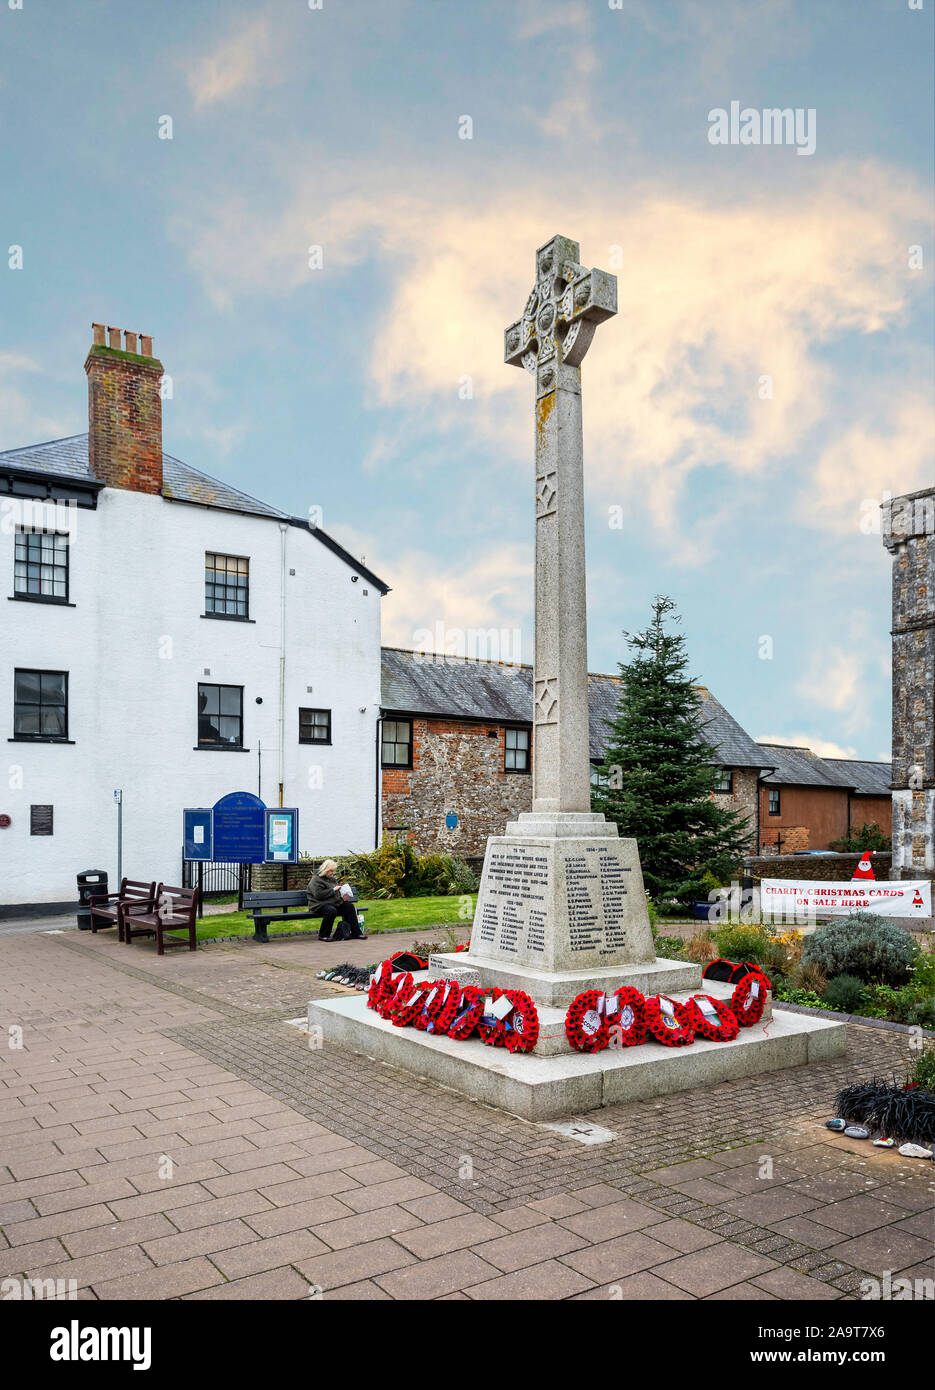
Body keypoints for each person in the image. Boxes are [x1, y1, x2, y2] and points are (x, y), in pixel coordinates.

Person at [307, 860, 364, 942]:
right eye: (331, 871)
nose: (332, 873)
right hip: (318, 905)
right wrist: (333, 890)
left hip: (332, 903)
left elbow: (335, 894)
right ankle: (323, 935)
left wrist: (342, 897)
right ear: (325, 869)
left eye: (333, 871)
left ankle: (356, 933)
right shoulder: (316, 880)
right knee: (331, 911)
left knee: (349, 906)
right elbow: (318, 895)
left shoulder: (332, 879)